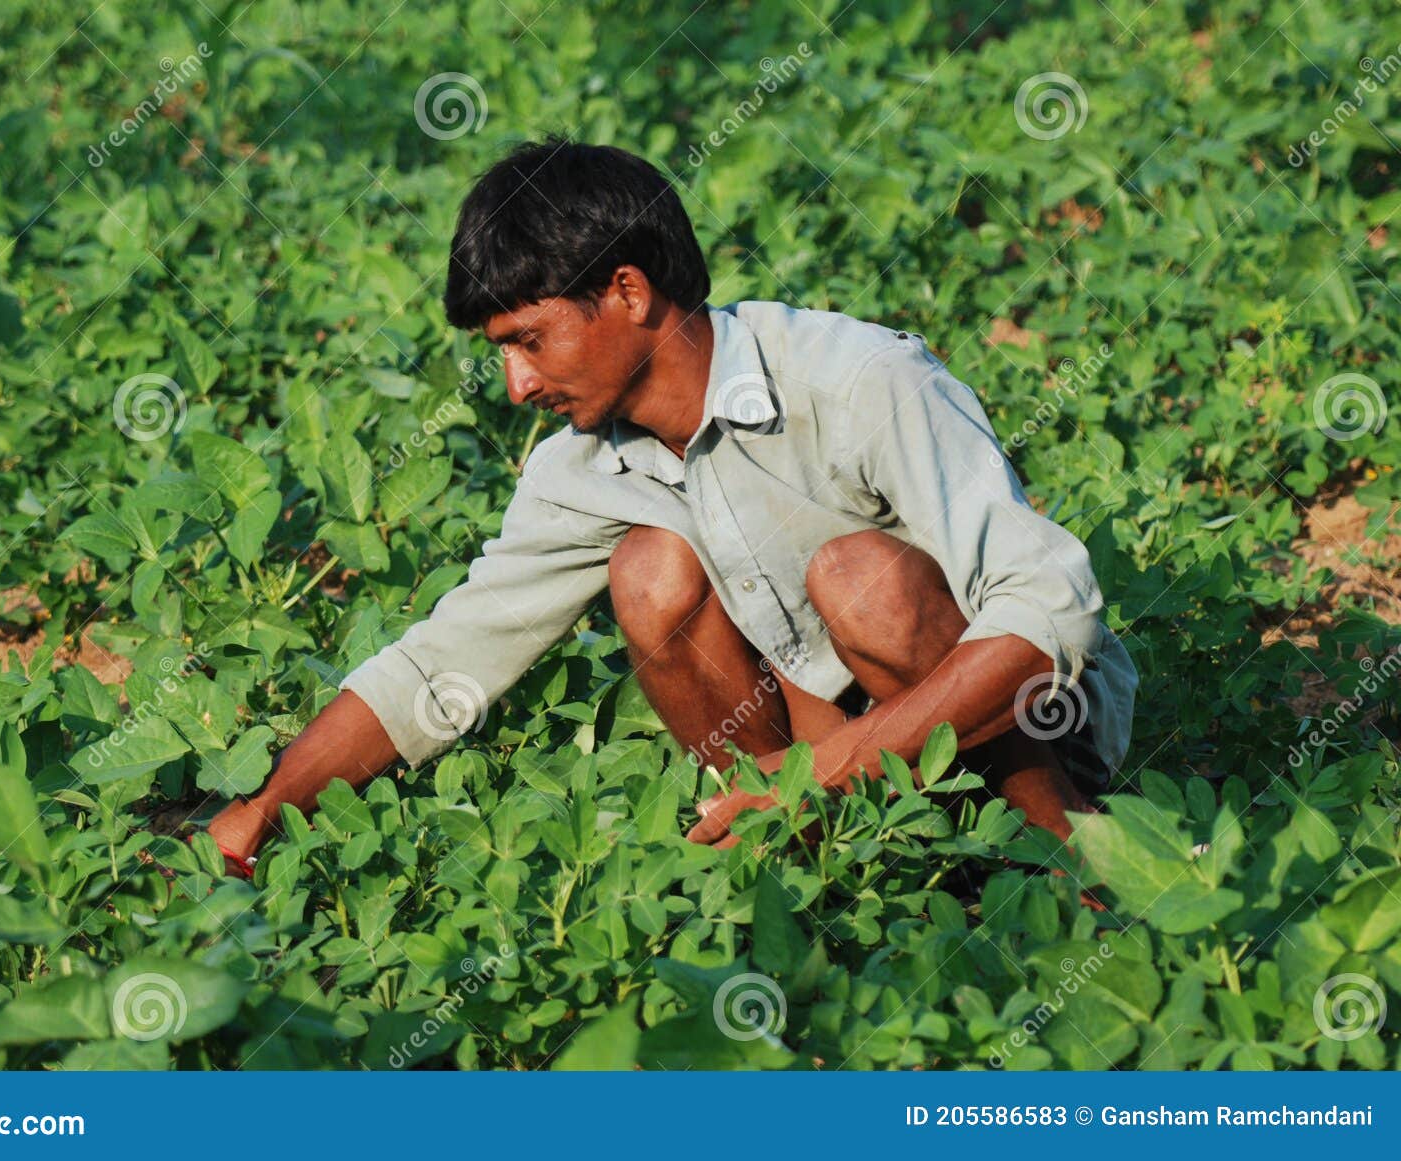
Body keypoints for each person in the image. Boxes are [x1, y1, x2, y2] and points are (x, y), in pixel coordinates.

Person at [203, 135, 1138, 875]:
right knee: (649, 572)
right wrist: (264, 807)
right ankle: (811, 869)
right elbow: (445, 658)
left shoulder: (857, 379)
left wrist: (819, 771)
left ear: (627, 291)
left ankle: (1071, 861)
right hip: (829, 760)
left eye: (530, 341)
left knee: (860, 580)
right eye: (501, 352)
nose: (516, 385)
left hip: (1028, 729)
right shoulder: (577, 468)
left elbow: (1048, 612)